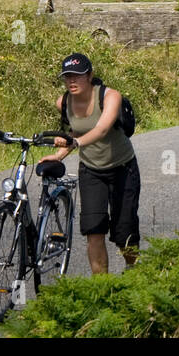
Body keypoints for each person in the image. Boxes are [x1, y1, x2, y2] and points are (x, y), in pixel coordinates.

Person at [39, 52, 140, 274]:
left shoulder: (110, 96)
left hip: (123, 168)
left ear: (90, 75)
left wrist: (75, 142)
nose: (71, 81)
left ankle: (133, 271)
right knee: (94, 230)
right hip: (91, 171)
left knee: (125, 233)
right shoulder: (64, 102)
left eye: (77, 76)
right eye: (67, 77)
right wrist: (58, 154)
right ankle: (102, 290)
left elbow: (102, 129)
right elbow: (75, 131)